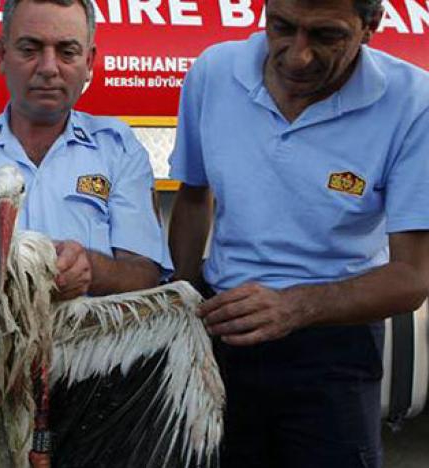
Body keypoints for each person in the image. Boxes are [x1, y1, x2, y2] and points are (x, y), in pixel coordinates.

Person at [168, 0, 429, 466]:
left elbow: (411, 278)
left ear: (371, 26)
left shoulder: (413, 102)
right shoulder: (214, 72)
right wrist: (183, 301)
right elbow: (192, 196)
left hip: (336, 347)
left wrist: (293, 307)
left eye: (327, 36)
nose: (297, 56)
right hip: (223, 330)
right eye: (282, 27)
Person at [0, 0, 169, 305]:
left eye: (67, 52)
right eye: (30, 49)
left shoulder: (119, 151)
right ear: (1, 54)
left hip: (92, 348)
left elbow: (145, 274)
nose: (49, 68)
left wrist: (91, 270)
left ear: (90, 61)